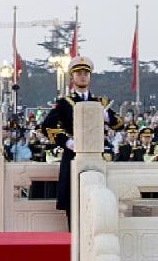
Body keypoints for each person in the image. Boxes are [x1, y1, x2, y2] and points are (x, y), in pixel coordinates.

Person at [40, 55, 122, 228]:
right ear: (72, 77)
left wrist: (106, 116)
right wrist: (67, 142)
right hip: (73, 153)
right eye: (79, 73)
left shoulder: (100, 102)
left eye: (86, 73)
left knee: (98, 197)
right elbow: (47, 126)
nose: (83, 76)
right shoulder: (65, 103)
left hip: (96, 153)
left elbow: (120, 124)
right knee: (73, 197)